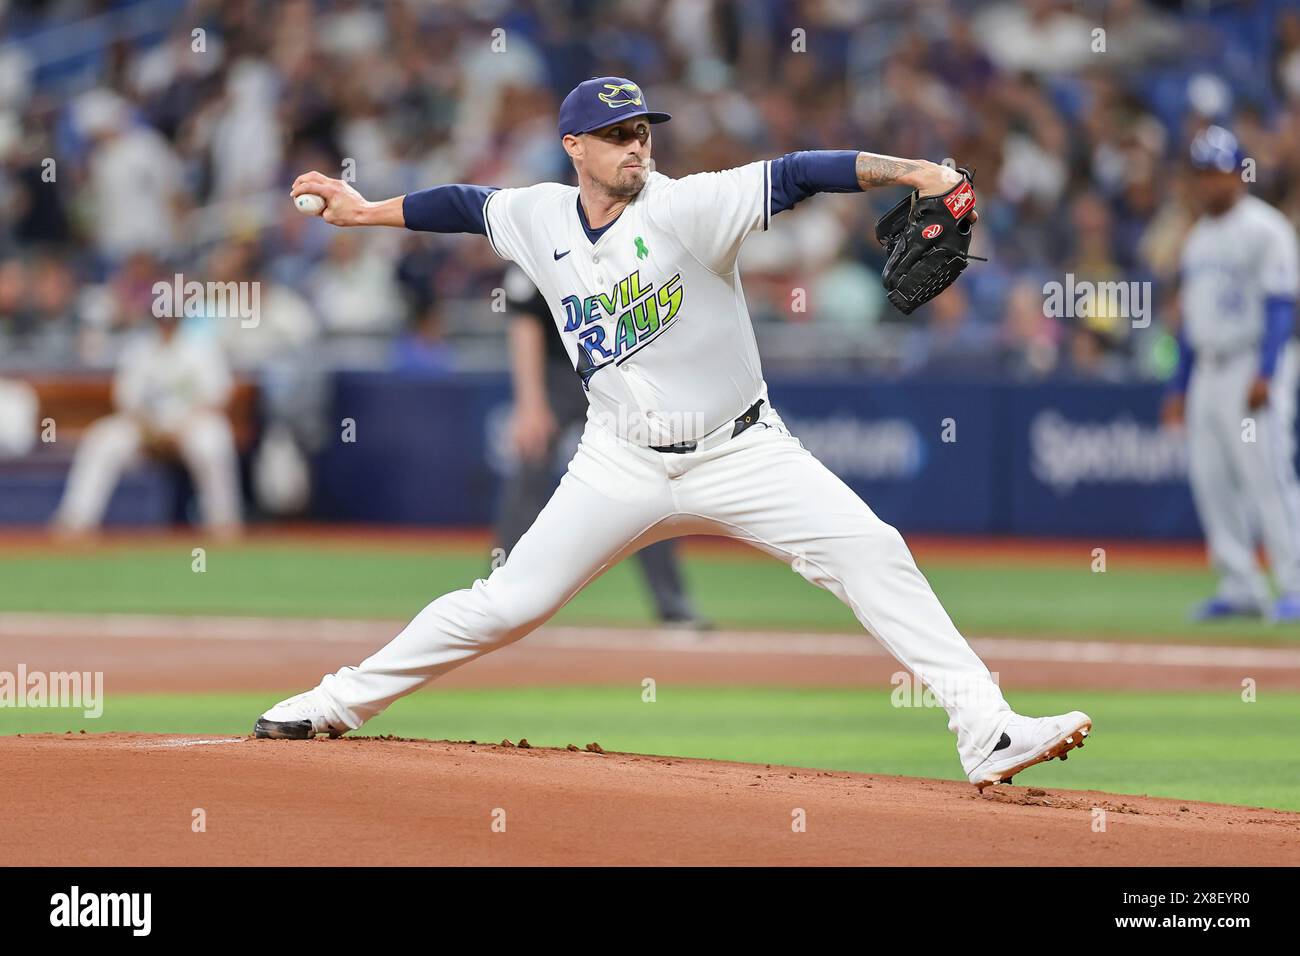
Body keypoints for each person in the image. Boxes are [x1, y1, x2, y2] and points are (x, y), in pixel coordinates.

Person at [258, 77, 1090, 790]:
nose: (637, 146)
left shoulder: (689, 205)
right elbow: (465, 206)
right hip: (618, 459)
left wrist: (918, 172)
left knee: (873, 550)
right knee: (507, 603)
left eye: (643, 131)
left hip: (742, 449)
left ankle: (985, 729)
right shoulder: (539, 215)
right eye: (618, 135)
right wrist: (366, 212)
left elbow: (799, 172)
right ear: (573, 146)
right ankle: (333, 703)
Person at [496, 265, 706, 627]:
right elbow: (524, 320)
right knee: (530, 469)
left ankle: (673, 604)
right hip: (558, 377)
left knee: (647, 479)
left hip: (614, 373)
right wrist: (530, 404)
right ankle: (501, 599)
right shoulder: (538, 227)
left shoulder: (624, 235)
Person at [1162, 126, 1300, 622]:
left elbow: (1282, 306)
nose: (1210, 183)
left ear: (1238, 173)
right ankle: (1241, 584)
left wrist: (1266, 371)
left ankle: (1294, 583)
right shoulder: (1198, 238)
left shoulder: (1266, 229)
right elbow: (1191, 322)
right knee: (1212, 478)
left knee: (1268, 475)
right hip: (1208, 369)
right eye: (1202, 173)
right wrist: (1179, 385)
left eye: (1218, 172)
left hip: (1252, 363)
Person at [53, 313, 242, 537]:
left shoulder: (202, 347)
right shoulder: (139, 348)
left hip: (190, 426)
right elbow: (126, 401)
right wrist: (148, 429)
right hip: (145, 430)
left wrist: (181, 428)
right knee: (102, 438)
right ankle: (76, 522)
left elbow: (218, 397)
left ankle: (223, 524)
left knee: (212, 440)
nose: (167, 322)